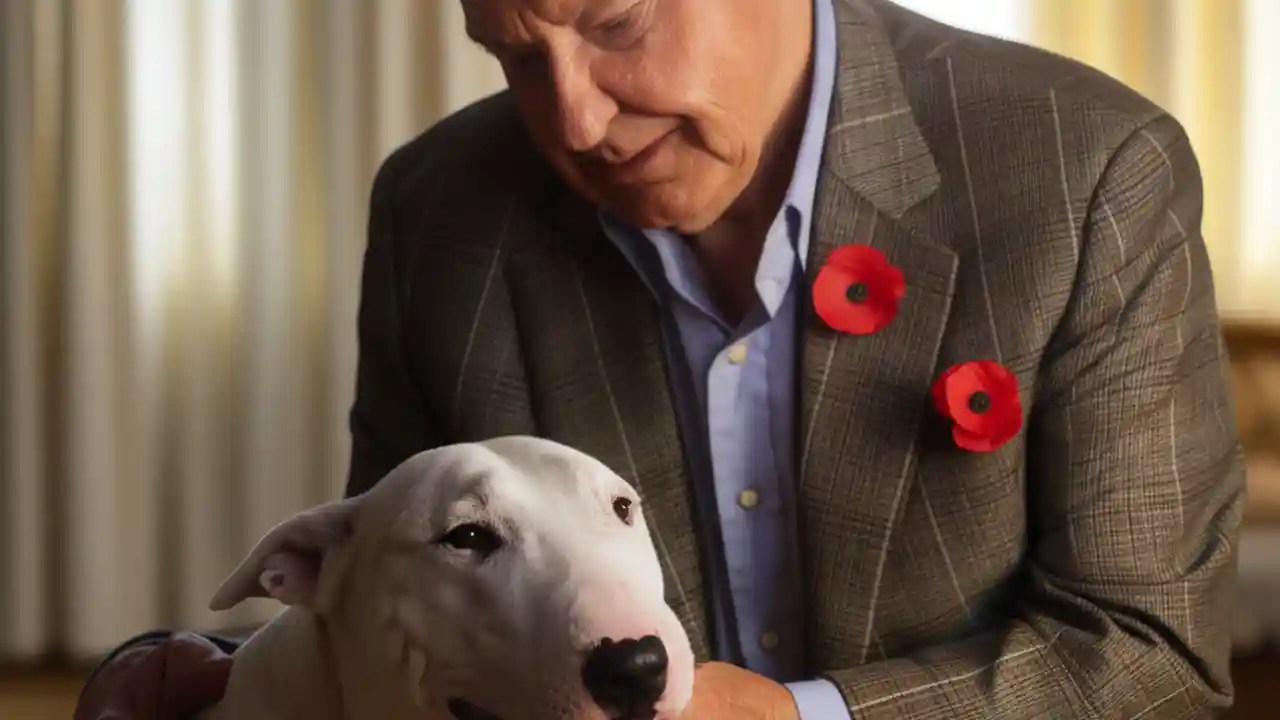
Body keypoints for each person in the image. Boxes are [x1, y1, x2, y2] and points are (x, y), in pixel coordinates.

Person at [76, 0, 1246, 717]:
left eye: (617, 22)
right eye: (513, 56)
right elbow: (406, 589)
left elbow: (1145, 656)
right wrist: (189, 671)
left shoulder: (1086, 172)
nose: (573, 120)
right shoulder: (440, 211)